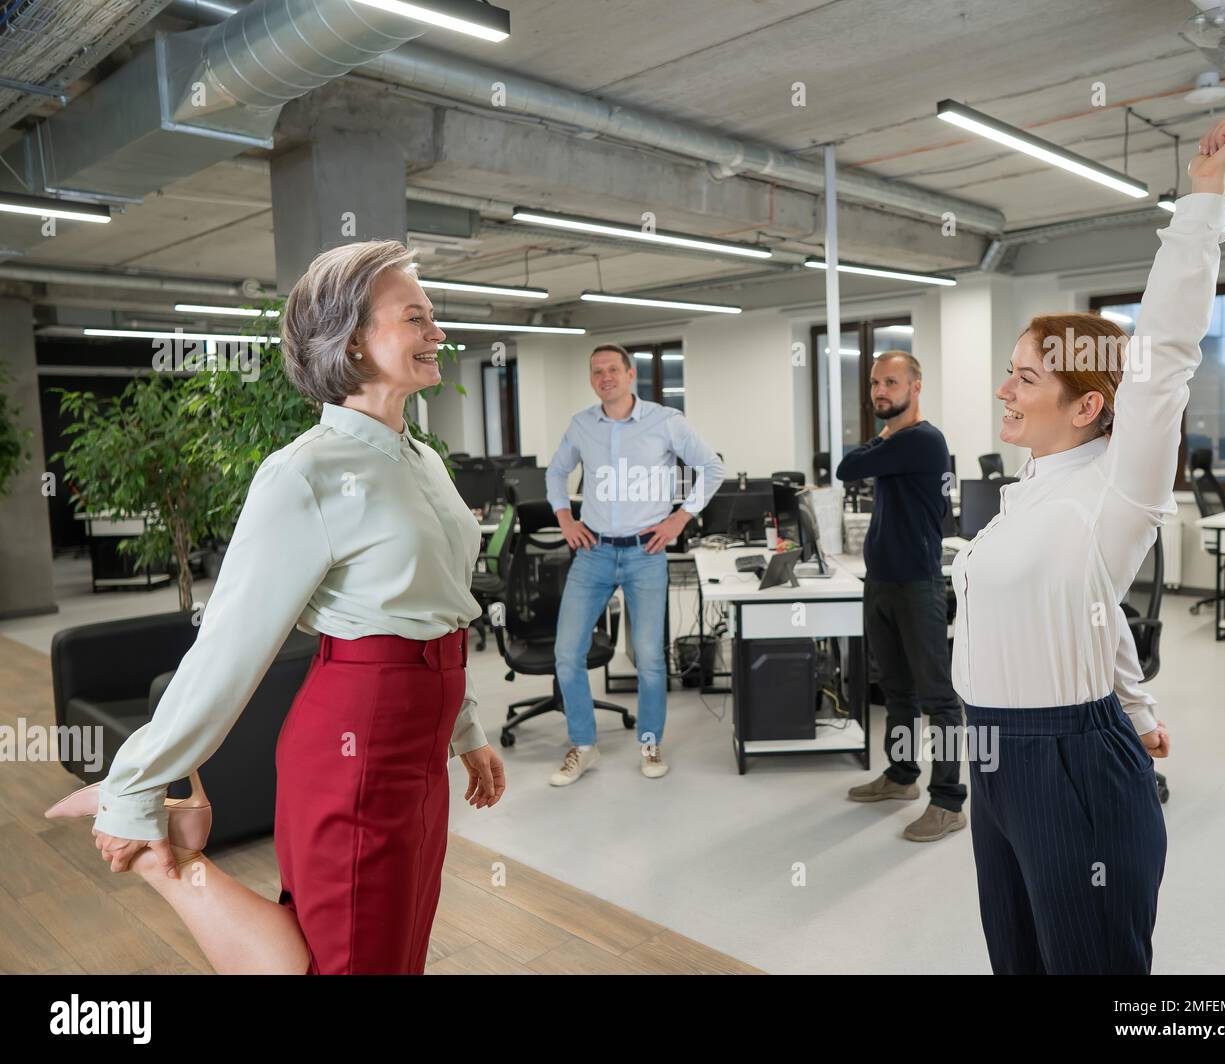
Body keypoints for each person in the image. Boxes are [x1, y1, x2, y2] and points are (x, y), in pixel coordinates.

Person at [46, 239, 506, 974]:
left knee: (393, 954)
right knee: (347, 962)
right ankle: (164, 856)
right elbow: (227, 647)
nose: (438, 332)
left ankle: (171, 852)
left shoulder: (421, 459)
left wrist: (467, 728)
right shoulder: (303, 472)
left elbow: (442, 607)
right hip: (357, 737)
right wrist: (137, 782)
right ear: (352, 340)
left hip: (419, 741)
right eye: (415, 318)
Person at [951, 118, 1225, 974]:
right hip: (992, 759)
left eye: (1026, 377)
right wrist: (1139, 708)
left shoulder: (1117, 489)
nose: (1004, 390)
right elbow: (1087, 608)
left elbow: (1163, 361)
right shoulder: (1031, 492)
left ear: (1087, 406)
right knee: (1017, 963)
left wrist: (1201, 202)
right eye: (1010, 372)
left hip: (1068, 767)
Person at [544, 343, 724, 784]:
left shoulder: (666, 421)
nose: (604, 377)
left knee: (649, 658)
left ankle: (649, 742)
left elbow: (711, 467)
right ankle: (583, 746)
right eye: (596, 371)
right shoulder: (582, 425)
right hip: (594, 551)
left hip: (646, 553)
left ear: (630, 375)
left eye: (612, 369)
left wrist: (680, 518)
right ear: (592, 380)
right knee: (566, 653)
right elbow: (556, 472)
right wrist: (565, 517)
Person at [836, 351, 967, 842]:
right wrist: (885, 435)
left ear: (916, 386)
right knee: (896, 691)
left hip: (917, 585)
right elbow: (855, 466)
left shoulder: (923, 440)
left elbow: (848, 467)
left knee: (938, 699)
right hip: (881, 583)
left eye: (891, 382)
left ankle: (949, 802)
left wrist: (884, 436)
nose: (879, 391)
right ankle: (901, 775)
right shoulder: (896, 442)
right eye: (875, 383)